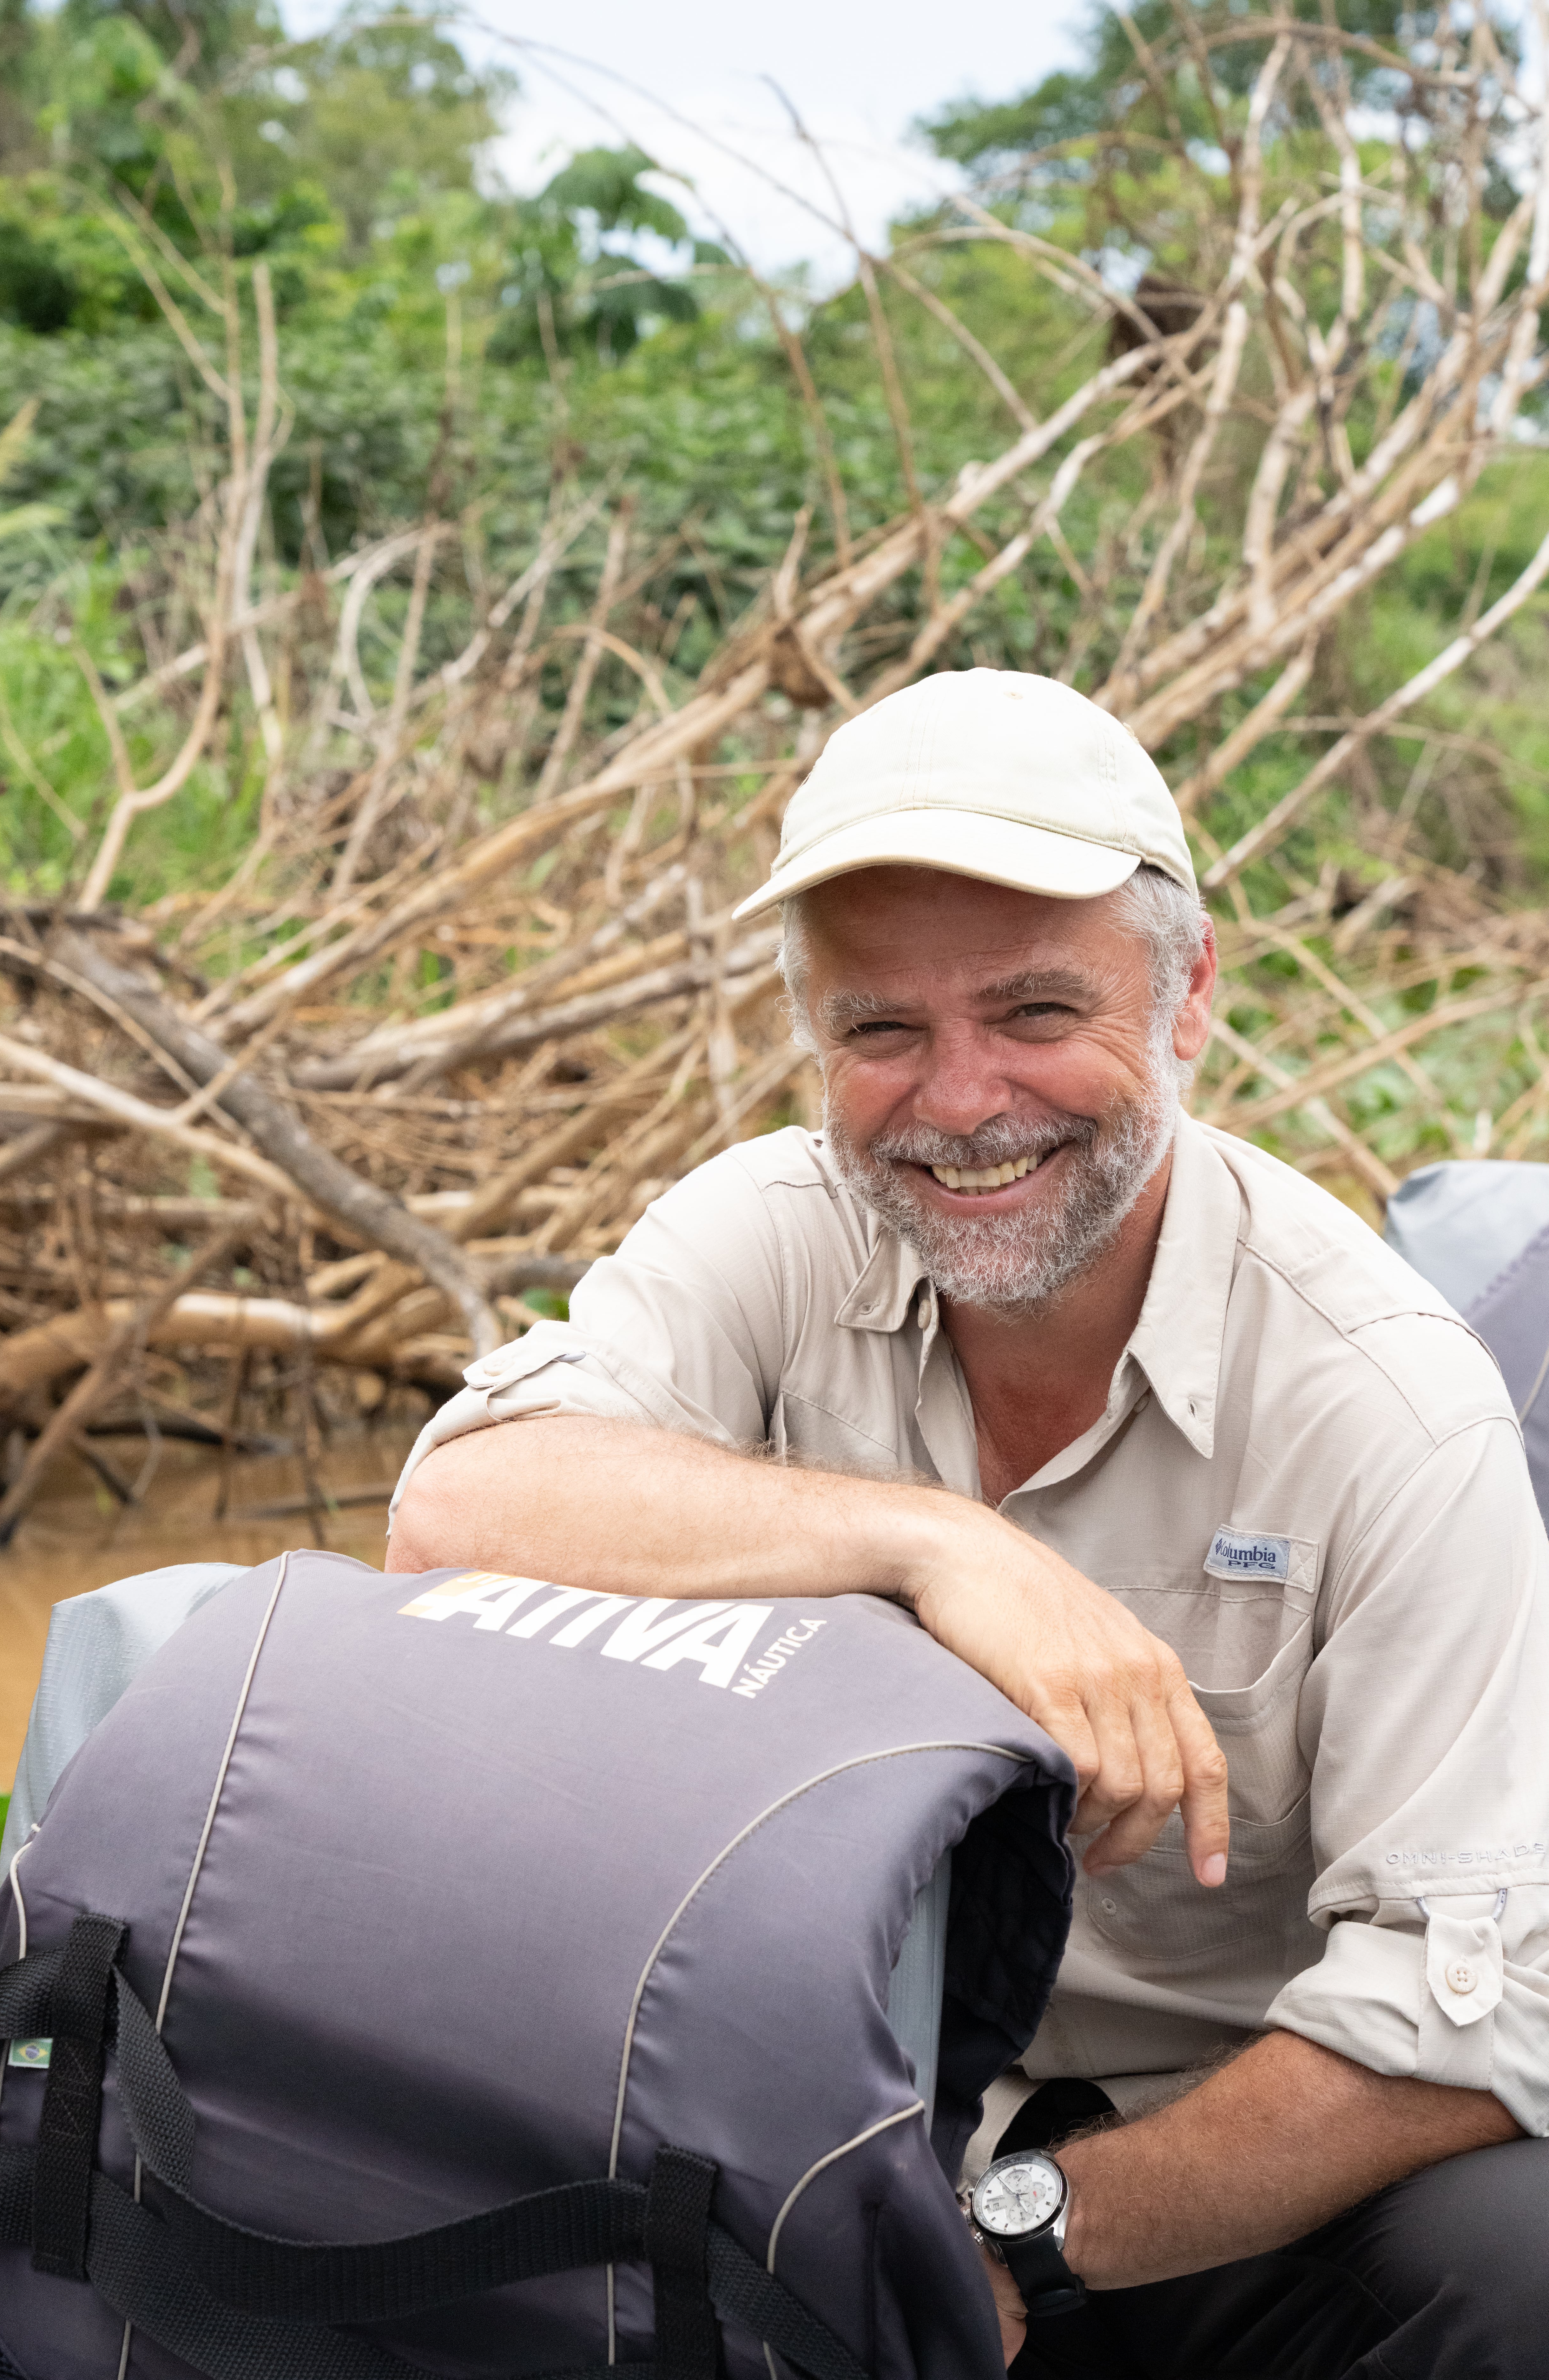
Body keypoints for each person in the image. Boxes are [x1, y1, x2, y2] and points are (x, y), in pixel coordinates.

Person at [387, 669, 1549, 2378]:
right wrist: (942, 1549)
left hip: (1200, 2171)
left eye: (1031, 1013)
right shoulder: (771, 1234)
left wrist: (1027, 2241)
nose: (956, 1101)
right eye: (880, 1032)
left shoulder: (1385, 1407)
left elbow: (1475, 2012)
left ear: (1189, 996)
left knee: (1518, 2261)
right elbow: (458, 1507)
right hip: (800, 2121)